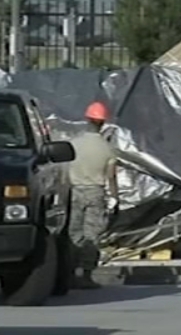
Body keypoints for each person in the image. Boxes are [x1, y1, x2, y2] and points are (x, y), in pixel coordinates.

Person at [67, 101, 120, 288]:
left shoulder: (74, 144)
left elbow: (63, 170)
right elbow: (111, 176)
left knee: (73, 233)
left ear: (87, 119)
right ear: (103, 123)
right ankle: (86, 275)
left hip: (74, 191)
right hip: (95, 192)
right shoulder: (106, 148)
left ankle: (69, 273)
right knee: (92, 234)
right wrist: (115, 197)